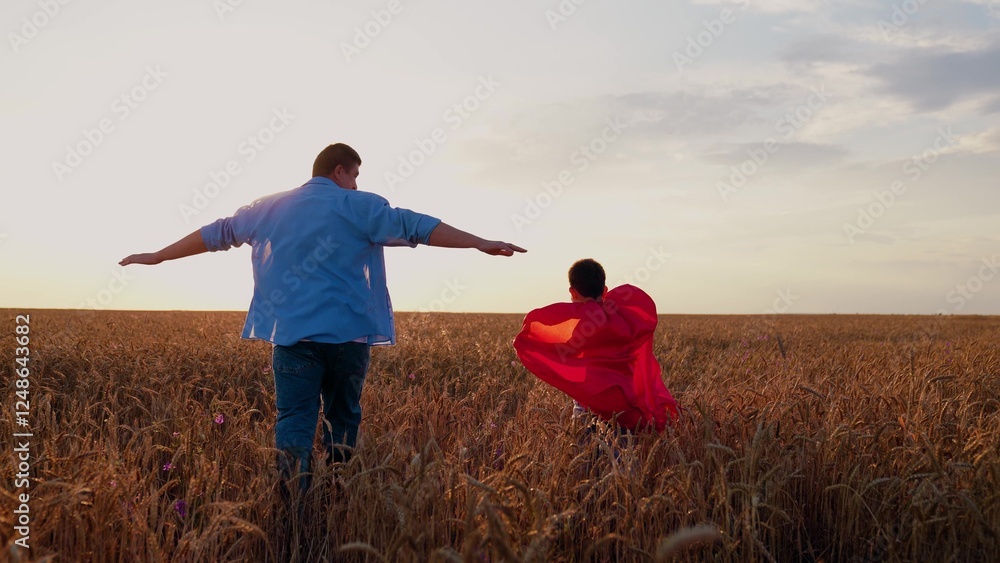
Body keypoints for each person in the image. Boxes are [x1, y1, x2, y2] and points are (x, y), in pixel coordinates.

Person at [119, 142, 526, 497]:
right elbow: (416, 226)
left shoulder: (269, 206)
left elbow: (217, 233)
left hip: (293, 337)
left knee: (294, 418)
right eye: (355, 175)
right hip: (350, 339)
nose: (356, 183)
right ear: (339, 170)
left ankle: (294, 501)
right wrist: (478, 242)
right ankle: (337, 493)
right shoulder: (362, 205)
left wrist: (158, 255)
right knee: (343, 416)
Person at [512, 259, 678, 433]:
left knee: (587, 450)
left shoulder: (584, 323)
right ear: (605, 290)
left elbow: (566, 351)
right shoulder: (621, 318)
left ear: (572, 292)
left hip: (589, 400)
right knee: (623, 452)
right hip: (624, 400)